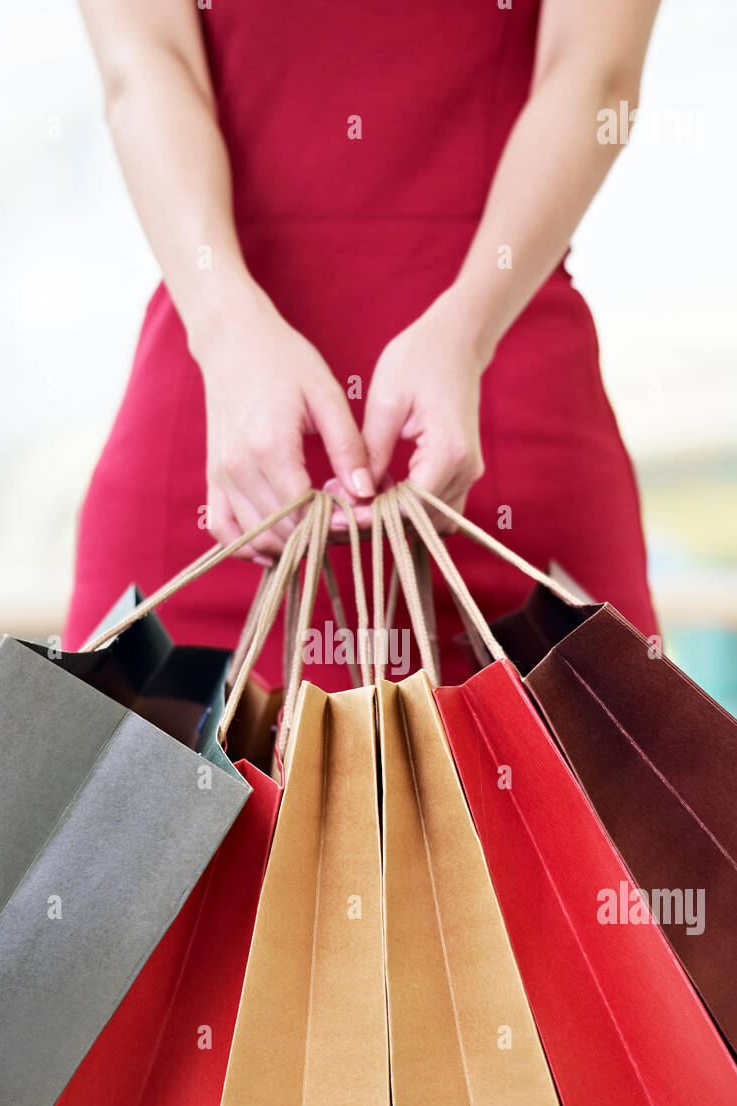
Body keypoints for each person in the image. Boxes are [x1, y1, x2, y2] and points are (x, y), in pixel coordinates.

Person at [68, 0, 661, 687]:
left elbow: (597, 76)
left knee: (565, 790)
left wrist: (469, 328)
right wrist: (226, 330)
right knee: (131, 787)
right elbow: (141, 69)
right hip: (216, 452)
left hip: (502, 447)